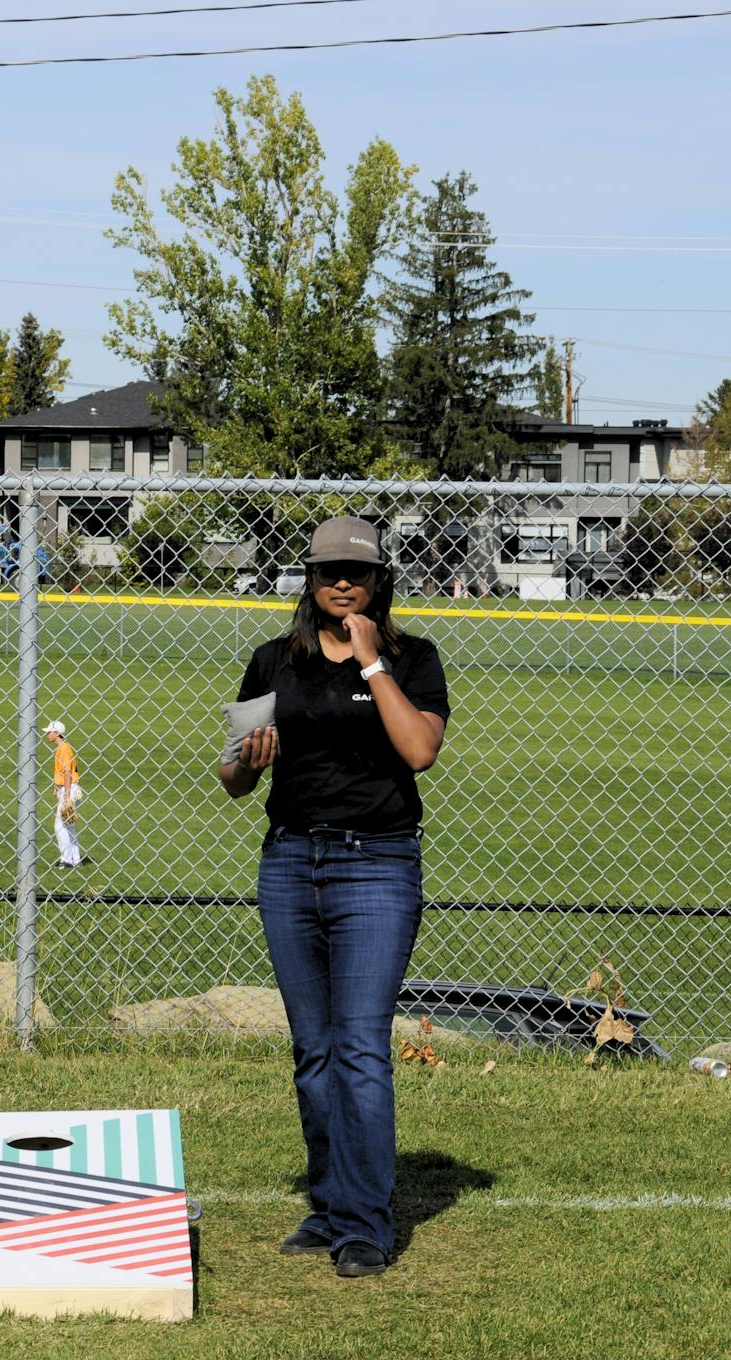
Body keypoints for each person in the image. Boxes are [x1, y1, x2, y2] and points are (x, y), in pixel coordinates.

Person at [217, 515, 450, 1280]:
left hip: (376, 865)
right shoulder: (273, 660)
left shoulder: (414, 658)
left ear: (380, 580)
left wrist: (372, 662)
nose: (341, 583)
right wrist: (249, 761)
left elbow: (419, 750)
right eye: (327, 572)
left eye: (356, 573)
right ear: (309, 580)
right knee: (313, 1051)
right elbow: (233, 778)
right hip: (289, 862)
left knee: (359, 1050)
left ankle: (364, 1226)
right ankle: (328, 1207)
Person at [44, 720, 85, 868]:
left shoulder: (64, 749)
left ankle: (66, 860)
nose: (47, 734)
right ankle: (75, 859)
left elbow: (68, 773)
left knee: (60, 825)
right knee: (69, 825)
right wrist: (57, 786)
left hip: (70, 789)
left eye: (49, 732)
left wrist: (67, 796)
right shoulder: (62, 748)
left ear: (57, 733)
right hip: (69, 788)